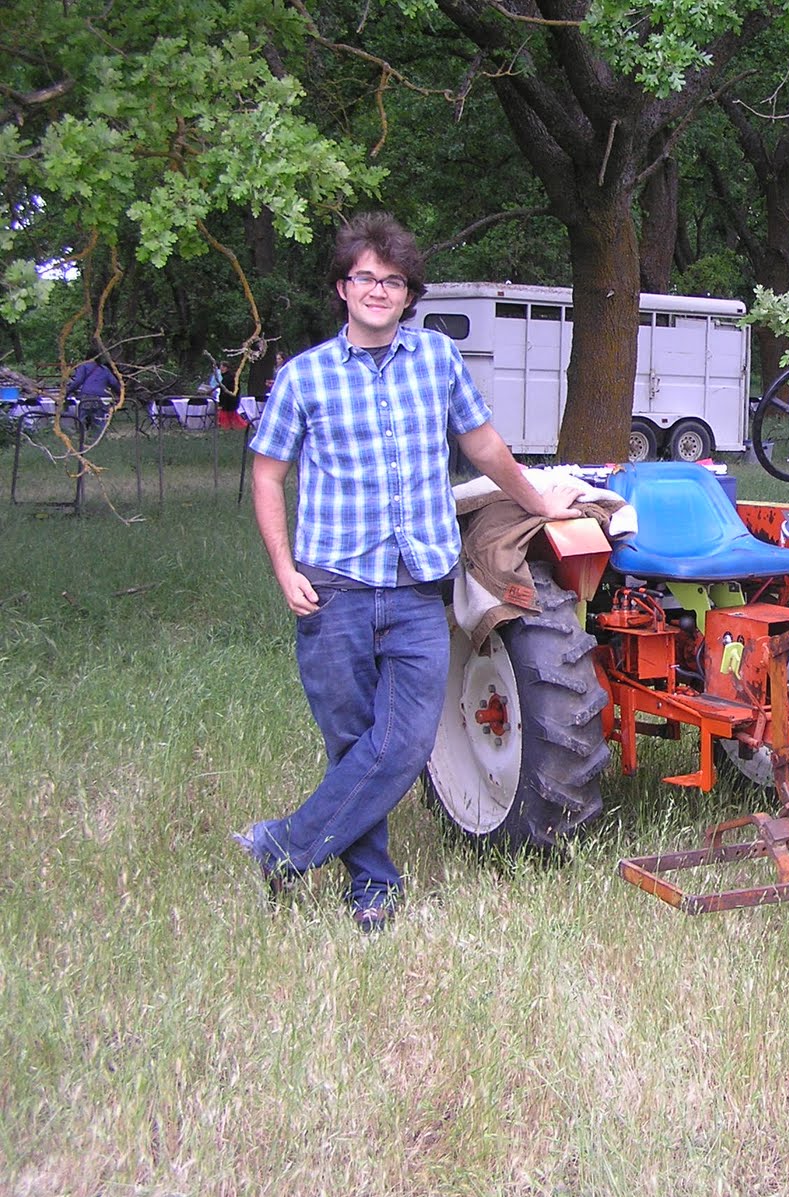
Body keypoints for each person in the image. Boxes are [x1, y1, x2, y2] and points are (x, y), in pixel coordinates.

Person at [235, 211, 583, 931]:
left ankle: (284, 846)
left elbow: (484, 447)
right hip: (333, 588)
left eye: (392, 281)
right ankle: (372, 886)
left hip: (421, 584)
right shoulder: (305, 378)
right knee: (352, 741)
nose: (378, 290)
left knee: (405, 742)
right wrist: (281, 565)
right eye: (366, 277)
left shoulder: (436, 360)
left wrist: (537, 498)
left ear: (407, 293)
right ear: (343, 287)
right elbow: (268, 474)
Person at [65, 356, 117, 431]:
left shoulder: (84, 367)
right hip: (101, 398)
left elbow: (78, 381)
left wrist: (67, 392)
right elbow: (114, 383)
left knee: (82, 420)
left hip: (86, 396)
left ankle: (82, 437)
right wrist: (121, 394)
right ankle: (100, 437)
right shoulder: (104, 369)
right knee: (100, 420)